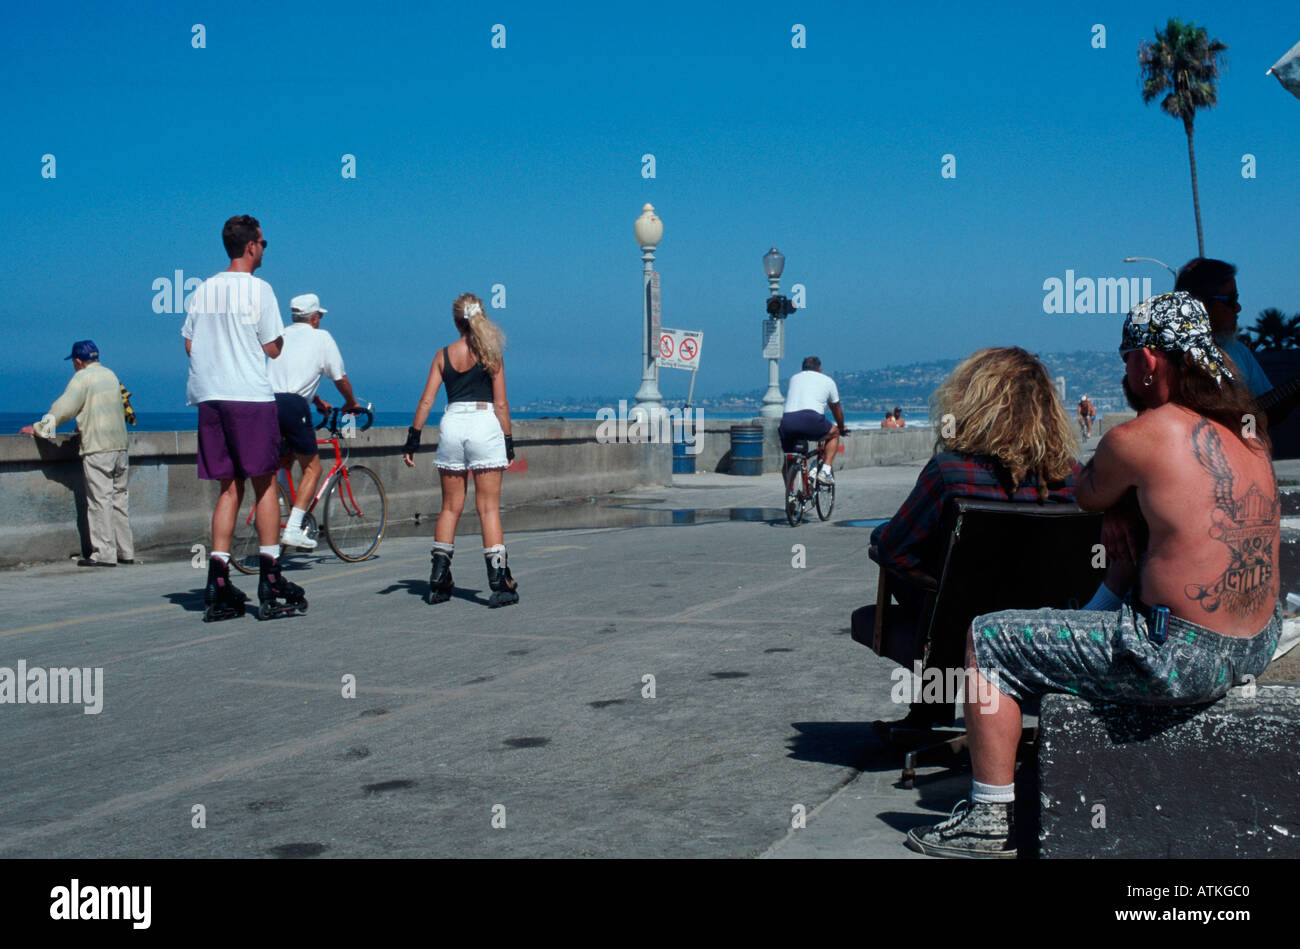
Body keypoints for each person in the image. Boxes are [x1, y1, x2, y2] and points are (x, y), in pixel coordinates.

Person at [906, 293, 1281, 859]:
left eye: (1127, 357)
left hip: (1178, 658)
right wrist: (1128, 508)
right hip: (1255, 643)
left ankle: (986, 821)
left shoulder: (1140, 437)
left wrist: (1113, 507)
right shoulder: (1252, 436)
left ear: (1150, 361)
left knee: (988, 639)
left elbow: (1087, 491)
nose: (1125, 370)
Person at [869, 348, 1081, 727]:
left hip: (956, 635)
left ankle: (928, 712)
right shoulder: (1074, 479)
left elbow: (892, 550)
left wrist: (881, 535)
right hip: (1040, 637)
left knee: (933, 585)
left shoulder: (949, 473)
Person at [182, 214, 305, 621]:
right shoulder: (259, 290)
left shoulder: (201, 291)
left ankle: (217, 580)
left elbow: (189, 344)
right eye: (264, 243)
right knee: (265, 483)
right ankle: (270, 578)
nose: (265, 249)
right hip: (249, 399)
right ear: (251, 245)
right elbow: (272, 348)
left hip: (210, 399)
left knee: (227, 489)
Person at [403, 293, 518, 608]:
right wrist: (508, 443)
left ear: (456, 322)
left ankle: (439, 580)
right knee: (488, 509)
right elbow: (502, 404)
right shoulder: (492, 353)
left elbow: (426, 400)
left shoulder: (443, 354)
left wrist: (413, 438)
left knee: (450, 507)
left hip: (452, 424)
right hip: (484, 423)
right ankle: (499, 581)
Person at [21, 340, 135, 566]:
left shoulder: (83, 378)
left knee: (99, 500)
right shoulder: (110, 376)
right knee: (119, 499)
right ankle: (126, 551)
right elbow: (112, 408)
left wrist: (40, 428)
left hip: (98, 448)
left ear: (78, 361)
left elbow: (64, 408)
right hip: (120, 447)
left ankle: (104, 554)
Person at [267, 292, 365, 550]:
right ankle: (293, 527)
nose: (319, 320)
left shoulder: (282, 335)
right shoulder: (321, 338)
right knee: (314, 469)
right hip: (293, 406)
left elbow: (291, 378)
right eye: (319, 316)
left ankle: (274, 514)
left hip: (267, 403)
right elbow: (339, 378)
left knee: (280, 462)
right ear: (313, 318)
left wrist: (317, 401)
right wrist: (352, 402)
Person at [778, 356, 847, 484]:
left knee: (788, 462)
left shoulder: (794, 378)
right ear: (820, 369)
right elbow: (836, 409)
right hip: (811, 419)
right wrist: (841, 427)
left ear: (803, 369)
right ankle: (825, 470)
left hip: (788, 422)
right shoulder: (828, 381)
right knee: (835, 433)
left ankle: (791, 495)